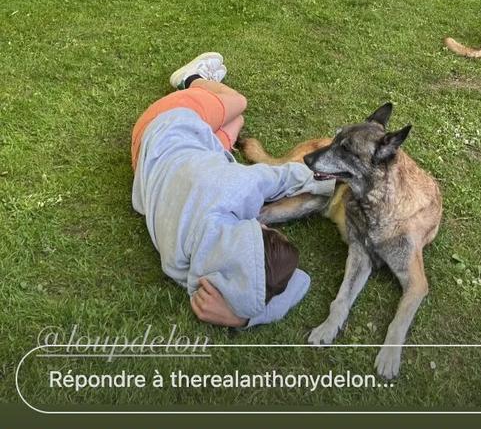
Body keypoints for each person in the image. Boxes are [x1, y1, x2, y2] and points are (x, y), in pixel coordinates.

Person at [131, 52, 334, 328]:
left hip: (167, 125)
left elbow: (283, 177)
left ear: (260, 232)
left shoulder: (236, 189)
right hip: (145, 164)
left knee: (238, 107)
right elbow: (301, 282)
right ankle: (195, 83)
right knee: (236, 118)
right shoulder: (188, 269)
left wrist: (330, 181)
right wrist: (244, 317)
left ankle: (194, 81)